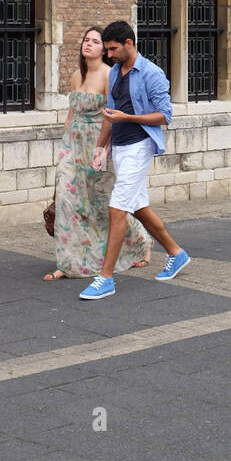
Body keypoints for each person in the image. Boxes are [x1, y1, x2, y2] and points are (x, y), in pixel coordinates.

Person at [79, 21, 190, 301]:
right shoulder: (116, 72)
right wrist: (101, 147)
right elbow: (110, 113)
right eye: (106, 50)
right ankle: (176, 253)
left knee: (117, 208)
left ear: (129, 43)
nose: (109, 55)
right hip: (120, 147)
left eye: (113, 49)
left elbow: (165, 116)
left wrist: (127, 118)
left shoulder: (152, 73)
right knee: (139, 207)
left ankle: (105, 278)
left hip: (140, 146)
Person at [44, 27, 152, 280]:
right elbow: (71, 114)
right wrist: (64, 145)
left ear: (104, 49)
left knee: (102, 204)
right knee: (67, 202)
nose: (89, 44)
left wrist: (103, 149)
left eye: (95, 41)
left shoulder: (109, 75)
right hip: (73, 146)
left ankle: (140, 240)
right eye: (86, 40)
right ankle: (69, 262)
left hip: (98, 145)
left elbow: (110, 116)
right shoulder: (75, 76)